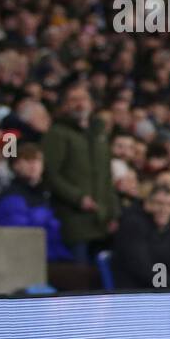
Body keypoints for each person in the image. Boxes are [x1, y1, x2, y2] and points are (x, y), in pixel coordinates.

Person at [42, 83, 120, 263]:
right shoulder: (57, 133)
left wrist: (113, 212)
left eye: (83, 99)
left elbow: (107, 177)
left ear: (91, 103)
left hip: (102, 222)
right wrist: (78, 198)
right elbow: (50, 174)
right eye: (73, 100)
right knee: (80, 278)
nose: (80, 104)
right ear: (64, 105)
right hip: (73, 221)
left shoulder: (100, 134)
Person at [112, 185, 170, 290]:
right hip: (137, 293)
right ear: (147, 203)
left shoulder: (167, 229)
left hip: (162, 288)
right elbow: (142, 269)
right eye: (159, 203)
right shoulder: (133, 225)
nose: (164, 209)